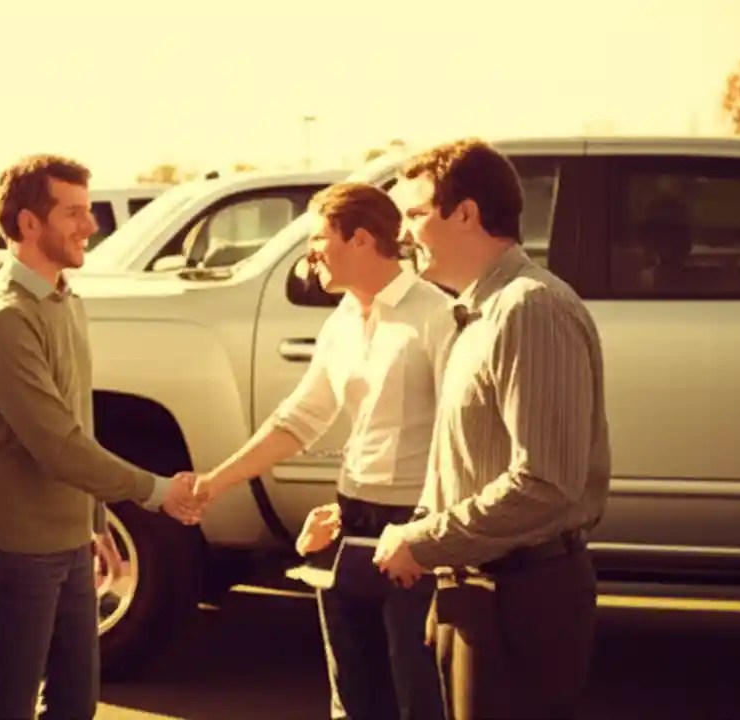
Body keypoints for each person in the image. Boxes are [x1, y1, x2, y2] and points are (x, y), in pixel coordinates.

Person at [193, 182, 452, 720]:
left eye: (318, 240)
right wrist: (212, 484)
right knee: (353, 696)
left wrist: (425, 534)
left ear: (360, 239)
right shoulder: (340, 322)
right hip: (350, 523)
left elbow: (459, 437)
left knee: (417, 695)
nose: (310, 257)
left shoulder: (437, 315)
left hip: (416, 529)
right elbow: (300, 418)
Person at [373, 139, 611, 719]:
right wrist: (439, 566)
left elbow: (544, 483)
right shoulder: (477, 313)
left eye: (414, 214)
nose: (402, 235)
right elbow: (466, 463)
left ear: (466, 213)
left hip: (523, 595)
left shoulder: (529, 308)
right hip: (478, 589)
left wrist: (423, 543)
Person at [0, 154, 200, 720]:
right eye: (74, 213)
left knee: (73, 705)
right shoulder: (4, 319)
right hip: (15, 545)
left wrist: (91, 520)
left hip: (67, 541)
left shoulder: (66, 300)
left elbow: (78, 420)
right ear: (28, 225)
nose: (90, 226)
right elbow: (57, 443)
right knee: (6, 707)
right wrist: (158, 492)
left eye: (87, 211)